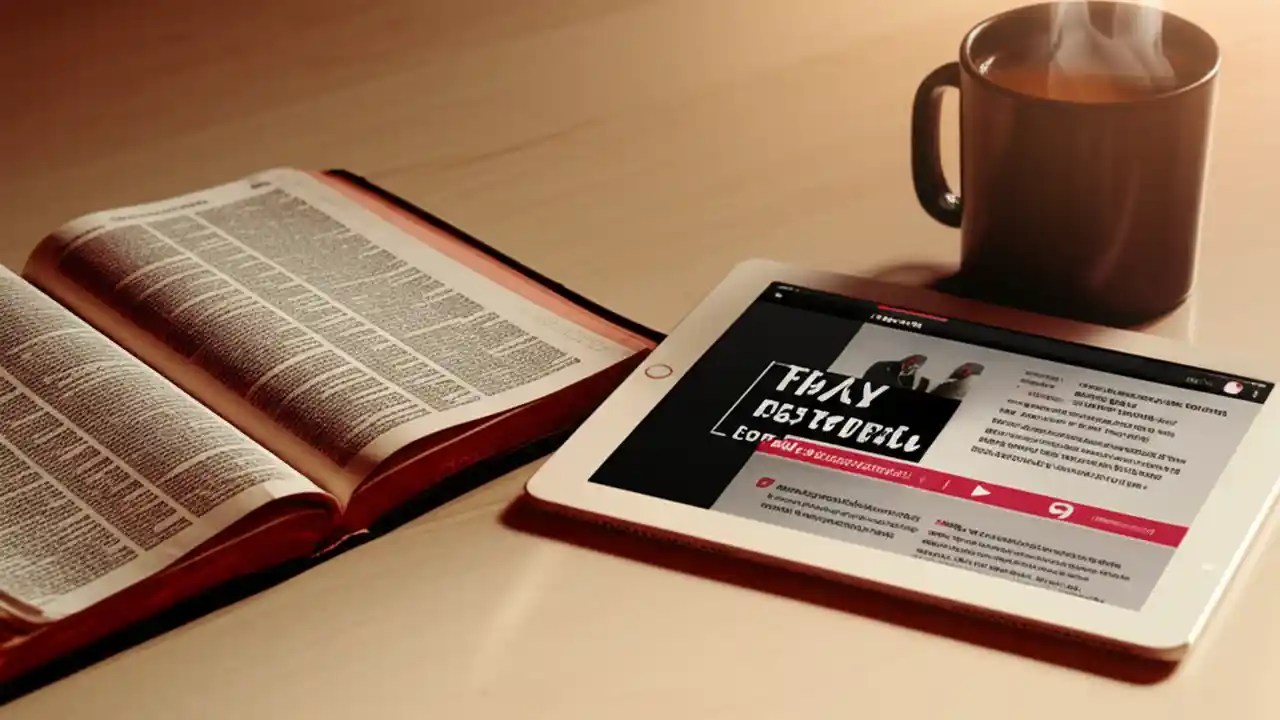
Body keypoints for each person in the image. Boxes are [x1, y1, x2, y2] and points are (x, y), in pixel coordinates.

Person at [863, 354, 928, 390]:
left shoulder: (909, 381)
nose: (910, 366)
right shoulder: (882, 366)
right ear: (908, 359)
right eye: (911, 362)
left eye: (915, 366)